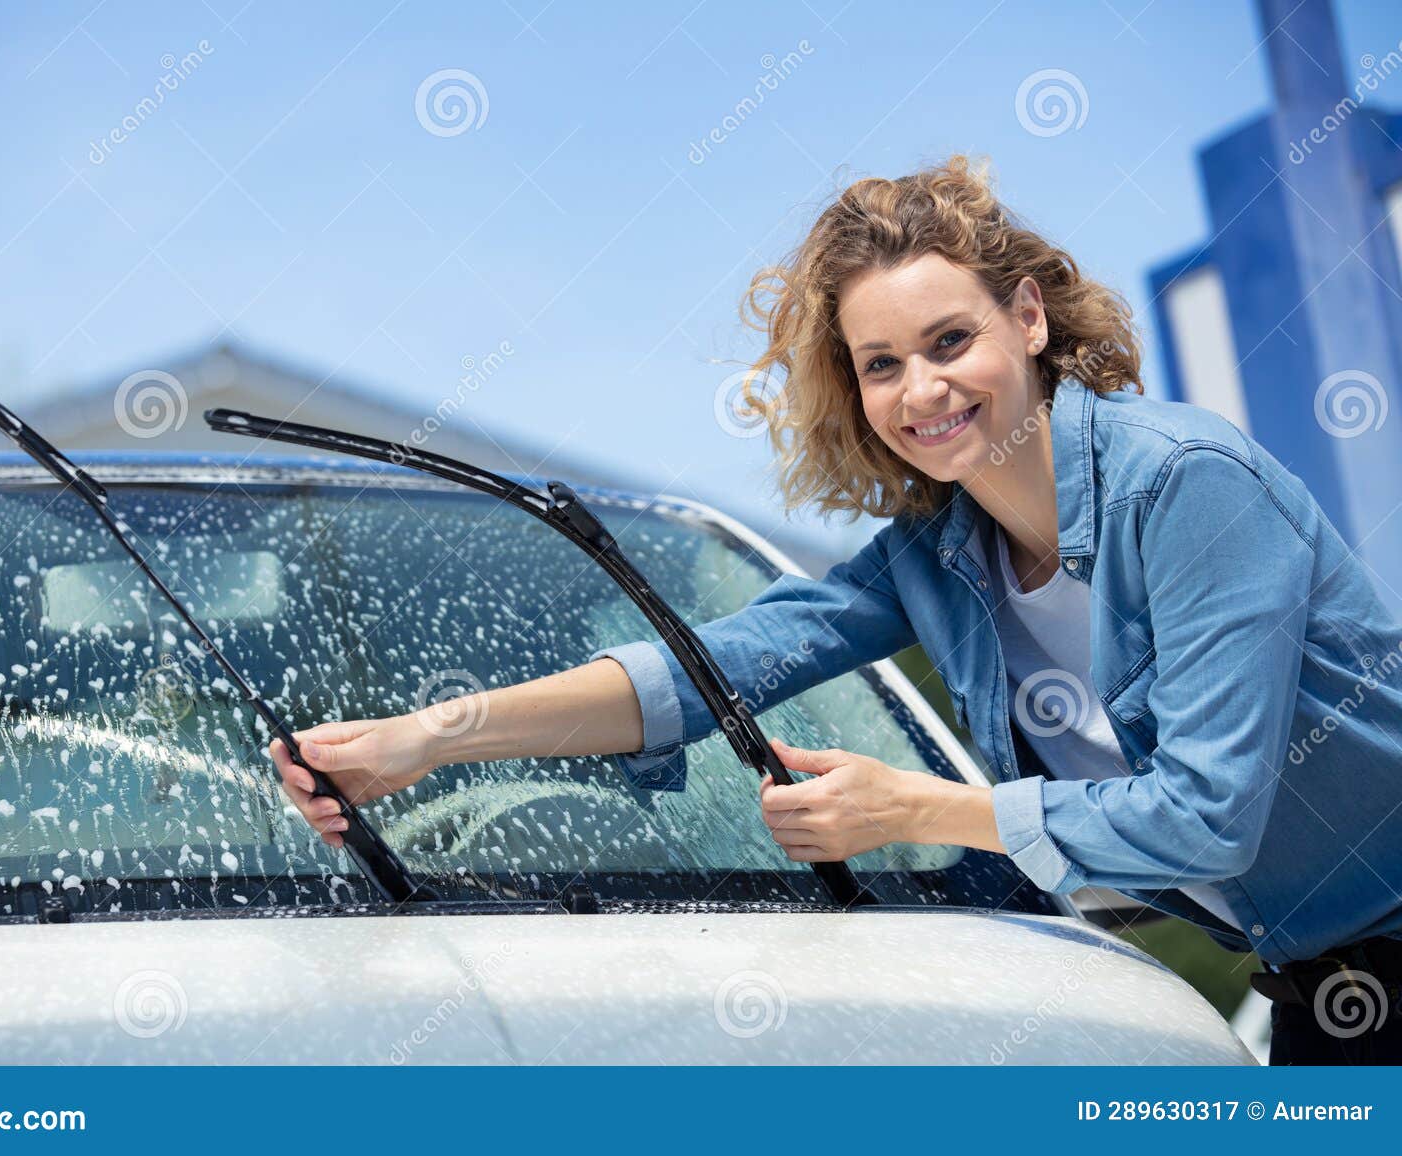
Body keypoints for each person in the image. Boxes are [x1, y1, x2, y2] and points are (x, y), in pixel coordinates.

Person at [269, 155, 1402, 1065]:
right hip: (1325, 991)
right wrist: (428, 739)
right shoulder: (931, 556)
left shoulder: (1187, 487)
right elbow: (706, 670)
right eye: (880, 364)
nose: (922, 390)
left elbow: (1207, 814)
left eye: (950, 341)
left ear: (1029, 321)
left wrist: (924, 806)